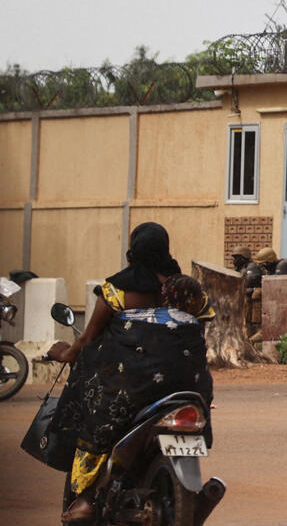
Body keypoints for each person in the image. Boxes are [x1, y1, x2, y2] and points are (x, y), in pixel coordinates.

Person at [46, 222, 214, 523]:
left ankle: (87, 498)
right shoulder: (186, 291)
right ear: (166, 250)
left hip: (132, 386)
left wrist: (61, 353)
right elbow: (197, 333)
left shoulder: (117, 290)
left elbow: (87, 341)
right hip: (189, 384)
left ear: (132, 251)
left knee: (95, 418)